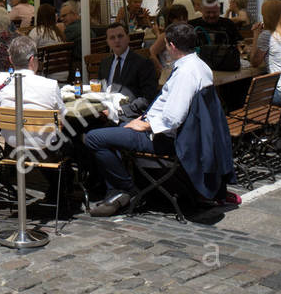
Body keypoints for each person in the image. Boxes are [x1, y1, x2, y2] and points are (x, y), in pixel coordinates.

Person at [84, 22, 214, 216]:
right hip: (165, 130)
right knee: (95, 130)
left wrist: (144, 124)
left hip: (161, 137)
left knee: (93, 138)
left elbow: (173, 118)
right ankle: (111, 188)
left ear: (171, 46)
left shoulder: (185, 73)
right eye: (112, 38)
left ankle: (127, 189)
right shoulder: (200, 67)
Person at [95, 23, 159, 104]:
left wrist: (122, 111)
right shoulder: (105, 63)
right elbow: (101, 90)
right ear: (107, 42)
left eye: (120, 36)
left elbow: (148, 97)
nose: (117, 40)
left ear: (128, 38)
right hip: (105, 107)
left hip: (129, 111)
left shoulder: (143, 63)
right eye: (112, 38)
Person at [190, 0, 241, 72]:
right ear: (202, 11)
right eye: (208, 12)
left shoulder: (228, 24)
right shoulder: (192, 25)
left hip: (225, 68)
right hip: (199, 69)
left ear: (219, 10)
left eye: (214, 12)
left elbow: (239, 43)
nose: (211, 15)